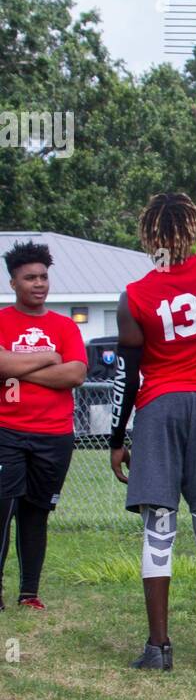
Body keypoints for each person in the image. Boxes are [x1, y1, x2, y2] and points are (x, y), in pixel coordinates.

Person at [110, 81, 196, 673]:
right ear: (188, 231)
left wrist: (116, 436)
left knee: (158, 530)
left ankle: (158, 647)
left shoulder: (133, 295)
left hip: (158, 406)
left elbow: (128, 375)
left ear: (148, 235)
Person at [0, 242, 87, 611]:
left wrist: (20, 363)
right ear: (13, 283)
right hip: (6, 431)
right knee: (3, 509)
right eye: (29, 277)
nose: (39, 283)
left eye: (43, 276)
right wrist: (49, 357)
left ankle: (28, 593)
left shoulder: (64, 326)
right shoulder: (2, 320)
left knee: (36, 513)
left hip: (54, 436)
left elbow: (77, 373)